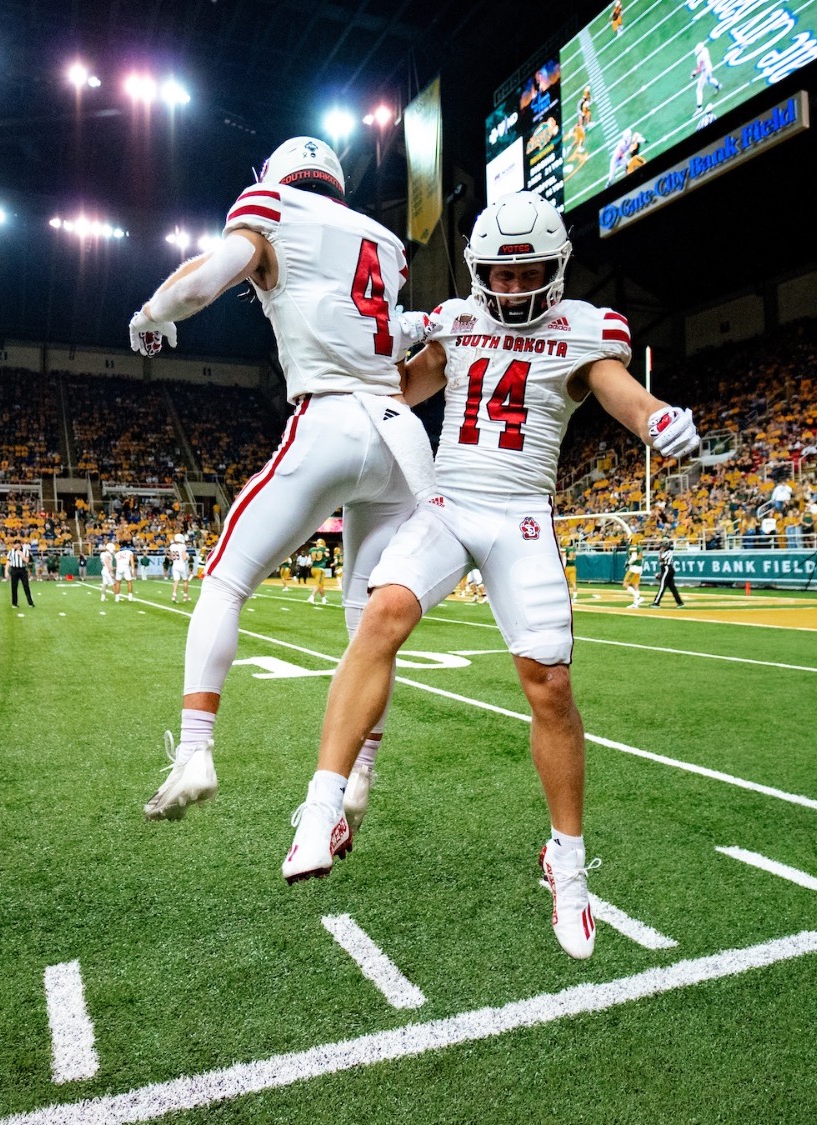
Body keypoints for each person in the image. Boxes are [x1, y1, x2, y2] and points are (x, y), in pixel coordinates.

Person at [279, 190, 700, 960]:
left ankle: (565, 862)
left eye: (525, 274)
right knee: (382, 616)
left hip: (522, 516)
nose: (509, 290)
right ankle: (324, 804)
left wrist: (656, 419)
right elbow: (400, 392)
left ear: (555, 269)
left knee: (551, 686)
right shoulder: (456, 321)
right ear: (479, 273)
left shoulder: (584, 330)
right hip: (447, 501)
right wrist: (366, 358)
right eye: (498, 277)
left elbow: (620, 392)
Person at [127, 135, 432, 822]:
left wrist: (151, 314)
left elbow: (207, 279)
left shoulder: (273, 207)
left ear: (281, 179)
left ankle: (196, 752)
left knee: (226, 579)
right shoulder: (382, 240)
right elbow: (389, 326)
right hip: (402, 437)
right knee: (369, 623)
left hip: (329, 417)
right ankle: (360, 775)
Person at [652, 542, 684, 607]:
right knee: (672, 587)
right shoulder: (664, 553)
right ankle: (680, 602)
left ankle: (656, 602)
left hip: (667, 568)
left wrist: (660, 553)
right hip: (665, 569)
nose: (661, 548)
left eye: (663, 547)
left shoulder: (669, 552)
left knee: (662, 586)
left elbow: (661, 559)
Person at [6, 538, 34, 608]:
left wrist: (21, 555)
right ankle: (14, 603)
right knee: (14, 587)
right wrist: (6, 571)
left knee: (26, 586)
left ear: (19, 544)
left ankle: (30, 602)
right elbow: (8, 562)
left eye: (16, 544)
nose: (14, 545)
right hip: (14, 569)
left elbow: (27, 560)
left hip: (22, 570)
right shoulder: (11, 552)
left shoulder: (25, 551)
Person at [168, 533, 193, 603]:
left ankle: (174, 595)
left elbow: (171, 557)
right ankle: (185, 596)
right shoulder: (183, 546)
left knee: (176, 581)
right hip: (182, 565)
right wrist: (187, 557)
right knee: (185, 580)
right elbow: (184, 557)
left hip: (175, 565)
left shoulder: (172, 546)